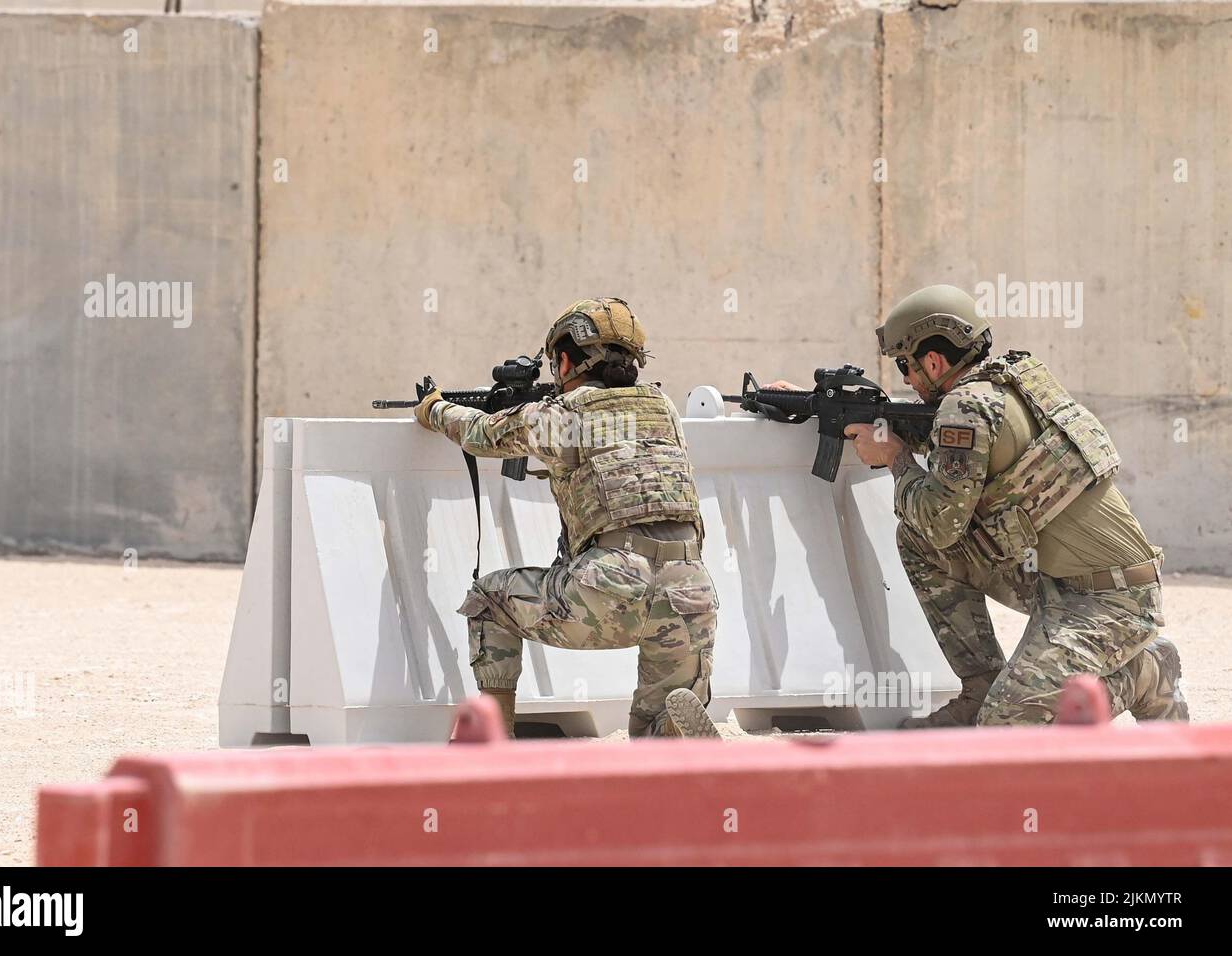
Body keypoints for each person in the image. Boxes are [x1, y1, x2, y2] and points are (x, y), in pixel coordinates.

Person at [782, 284, 1187, 726]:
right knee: (919, 545)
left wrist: (895, 460)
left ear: (933, 361)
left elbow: (941, 522)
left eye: (906, 364)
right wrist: (819, 405)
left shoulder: (965, 407)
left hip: (1109, 601)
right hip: (1065, 581)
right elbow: (941, 444)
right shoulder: (1004, 386)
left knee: (1008, 726)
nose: (906, 379)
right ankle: (980, 687)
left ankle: (1144, 674)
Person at [414, 297, 719, 739]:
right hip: (691, 593)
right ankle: (666, 726)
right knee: (651, 739)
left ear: (562, 360)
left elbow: (480, 434)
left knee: (489, 600)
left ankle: (494, 740)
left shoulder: (564, 415)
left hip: (612, 587)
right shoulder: (664, 408)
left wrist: (436, 409)